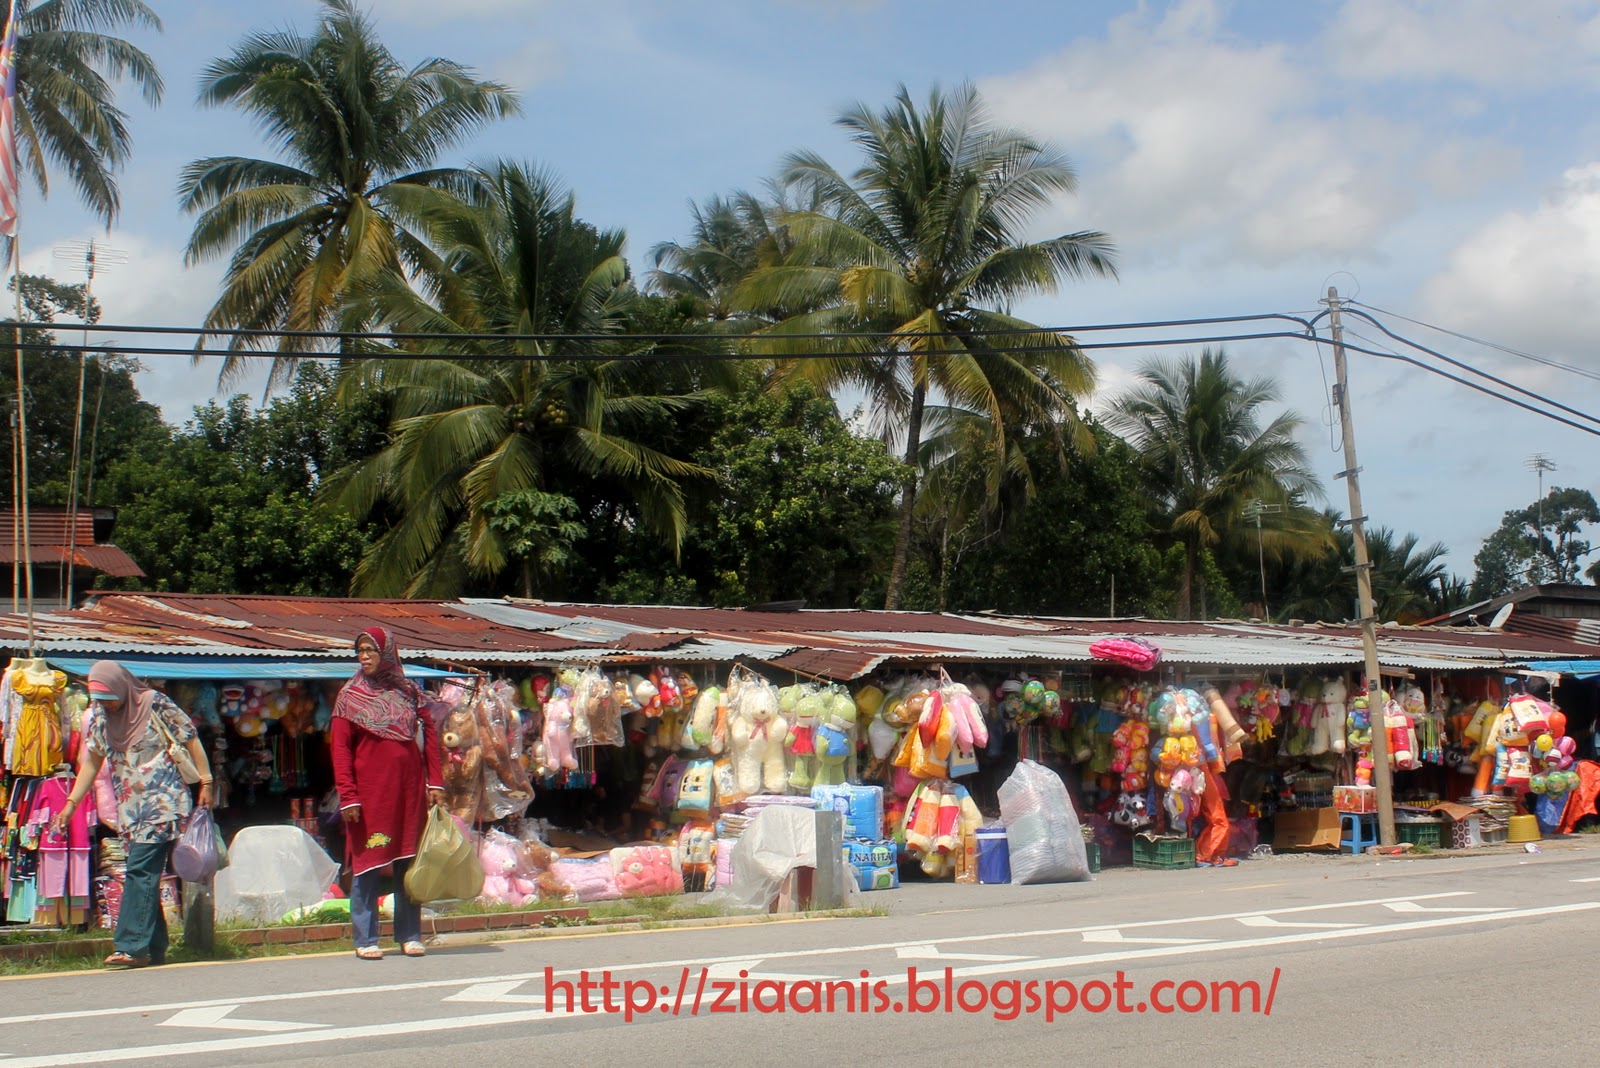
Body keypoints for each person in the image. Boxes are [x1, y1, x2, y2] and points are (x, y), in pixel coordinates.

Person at [51, 662, 213, 968]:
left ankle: (131, 946)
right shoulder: (101, 714)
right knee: (144, 875)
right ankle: (154, 948)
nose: (106, 704)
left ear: (122, 688)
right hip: (130, 810)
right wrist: (71, 803)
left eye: (109, 697)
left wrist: (207, 780)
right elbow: (92, 761)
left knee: (140, 871)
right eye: (99, 699)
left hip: (163, 802)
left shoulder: (155, 703)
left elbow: (190, 738)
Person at [332, 627, 444, 960]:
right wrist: (348, 796)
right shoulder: (349, 696)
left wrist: (434, 782)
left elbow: (431, 736)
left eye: (370, 650)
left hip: (409, 795)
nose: (363, 656)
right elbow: (340, 749)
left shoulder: (410, 692)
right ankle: (365, 938)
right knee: (368, 863)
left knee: (409, 863)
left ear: (388, 653)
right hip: (370, 797)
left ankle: (410, 933)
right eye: (360, 651)